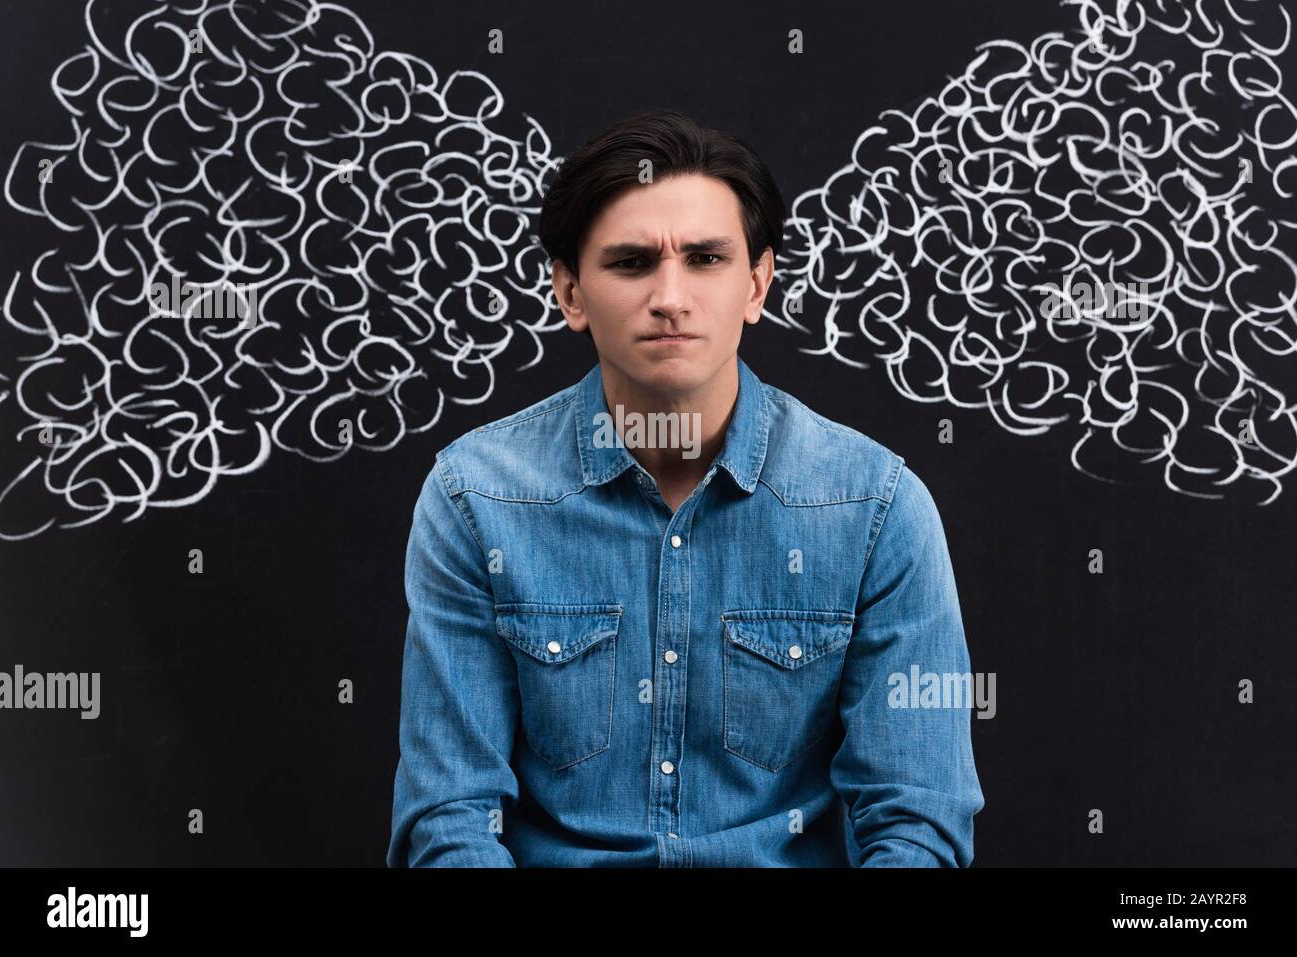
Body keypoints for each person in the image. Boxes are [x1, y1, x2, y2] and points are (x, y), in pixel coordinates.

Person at [386, 108, 984, 866]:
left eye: (705, 259)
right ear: (570, 292)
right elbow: (450, 816)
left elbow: (916, 821)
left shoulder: (876, 506)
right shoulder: (476, 499)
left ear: (757, 283)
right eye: (632, 262)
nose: (671, 295)